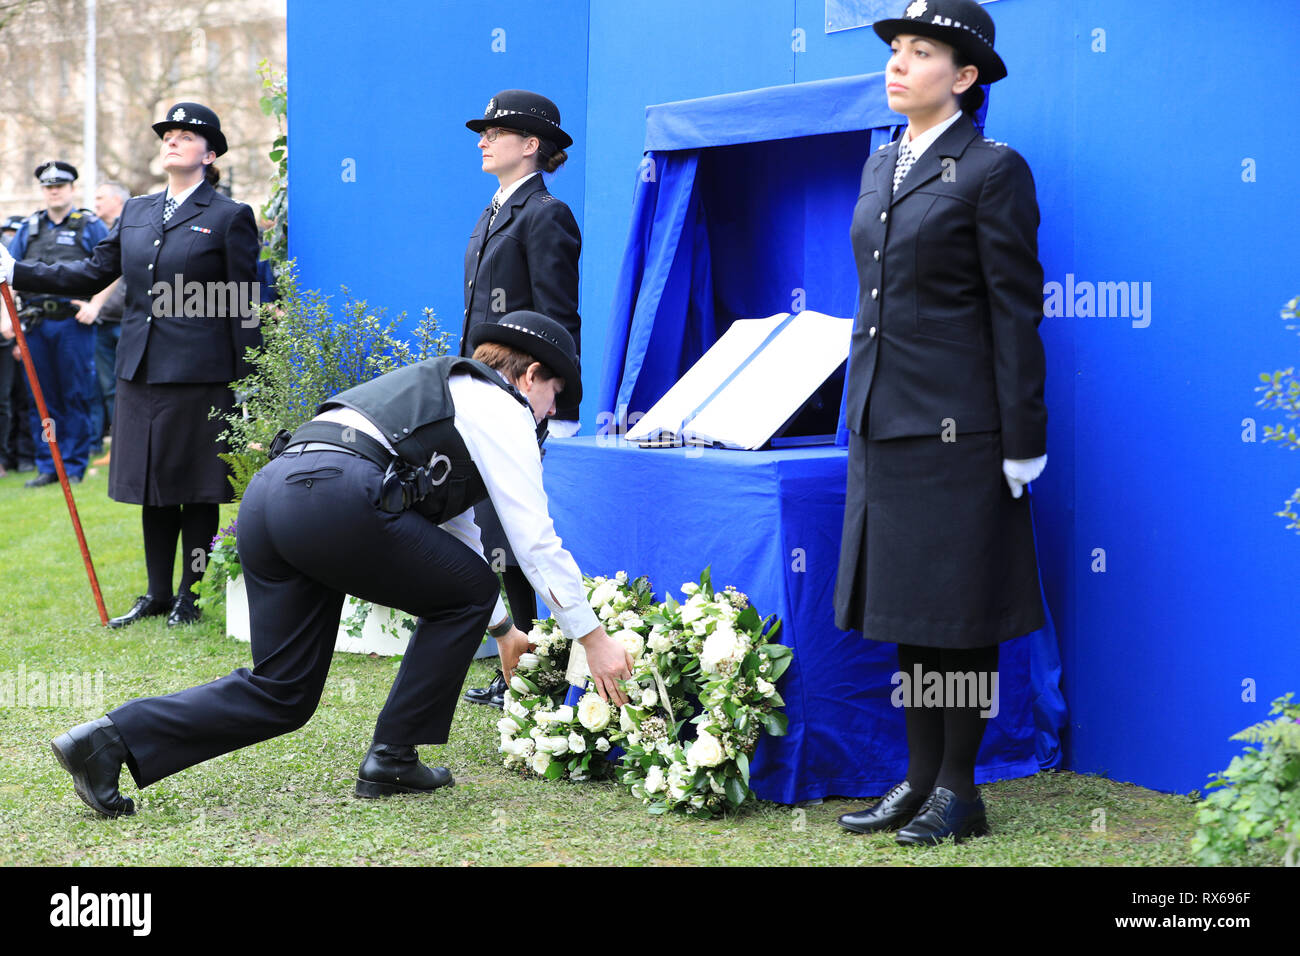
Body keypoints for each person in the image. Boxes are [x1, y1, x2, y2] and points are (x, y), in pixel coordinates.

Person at [47, 311, 635, 817]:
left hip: (273, 497)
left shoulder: (447, 393)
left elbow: (456, 536)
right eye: (554, 397)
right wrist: (594, 637)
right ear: (531, 375)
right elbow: (533, 539)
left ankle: (107, 741)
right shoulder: (501, 405)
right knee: (470, 589)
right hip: (334, 498)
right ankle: (393, 758)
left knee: (283, 692)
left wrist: (504, 632)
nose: (549, 414)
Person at [833, 0, 1047, 846]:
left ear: (963, 78)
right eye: (895, 49)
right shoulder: (881, 165)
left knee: (958, 616)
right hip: (885, 422)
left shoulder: (994, 169)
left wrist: (1022, 437)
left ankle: (961, 789)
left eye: (920, 53)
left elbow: (1014, 311)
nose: (897, 63)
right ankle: (919, 777)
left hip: (963, 428)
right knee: (912, 615)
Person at [0, 103, 261, 628]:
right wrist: (18, 269)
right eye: (168, 134)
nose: (172, 140)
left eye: (187, 136)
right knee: (153, 484)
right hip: (140, 369)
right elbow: (92, 272)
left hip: (200, 374)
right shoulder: (138, 211)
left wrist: (249, 386)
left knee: (195, 486)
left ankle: (191, 595)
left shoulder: (228, 215)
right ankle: (157, 594)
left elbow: (242, 303)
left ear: (209, 155)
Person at [461, 89, 583, 709]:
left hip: (523, 393)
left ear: (531, 144)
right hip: (484, 392)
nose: (482, 139)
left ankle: (539, 664)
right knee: (492, 530)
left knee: (515, 524)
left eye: (495, 131)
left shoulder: (546, 213)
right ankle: (522, 657)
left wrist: (555, 404)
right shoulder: (492, 213)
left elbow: (559, 319)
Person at [5, 161, 109, 487]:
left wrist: (96, 304)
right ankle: (48, 464)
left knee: (75, 395)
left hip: (72, 323)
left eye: (59, 186)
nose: (53, 191)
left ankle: (74, 465)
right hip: (36, 324)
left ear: (72, 189)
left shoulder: (90, 225)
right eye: (48, 187)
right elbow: (9, 273)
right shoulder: (30, 228)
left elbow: (112, 268)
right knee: (42, 400)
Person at [81, 182, 131, 463]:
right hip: (102, 322)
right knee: (109, 388)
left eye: (100, 197)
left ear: (116, 200)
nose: (95, 202)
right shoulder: (101, 232)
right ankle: (117, 449)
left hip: (130, 321)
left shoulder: (136, 228)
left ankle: (131, 448)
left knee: (130, 385)